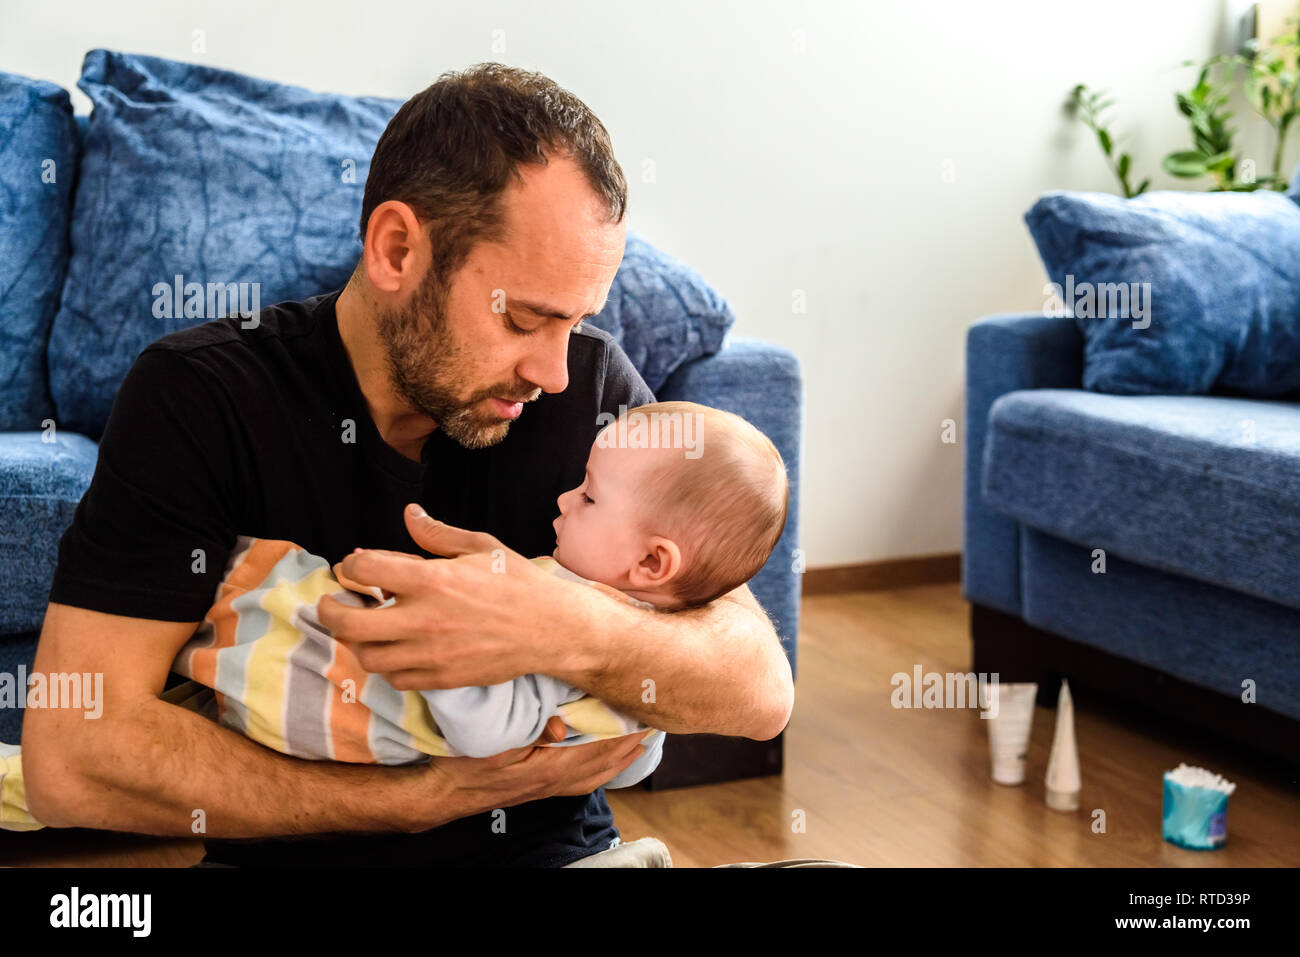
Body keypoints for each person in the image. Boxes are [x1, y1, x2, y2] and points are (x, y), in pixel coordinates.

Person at [21, 63, 794, 867]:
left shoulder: (586, 390)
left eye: (574, 322)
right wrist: (418, 802)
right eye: (526, 318)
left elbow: (760, 689)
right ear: (398, 249)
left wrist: (560, 622)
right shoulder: (203, 396)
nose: (555, 371)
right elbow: (71, 758)